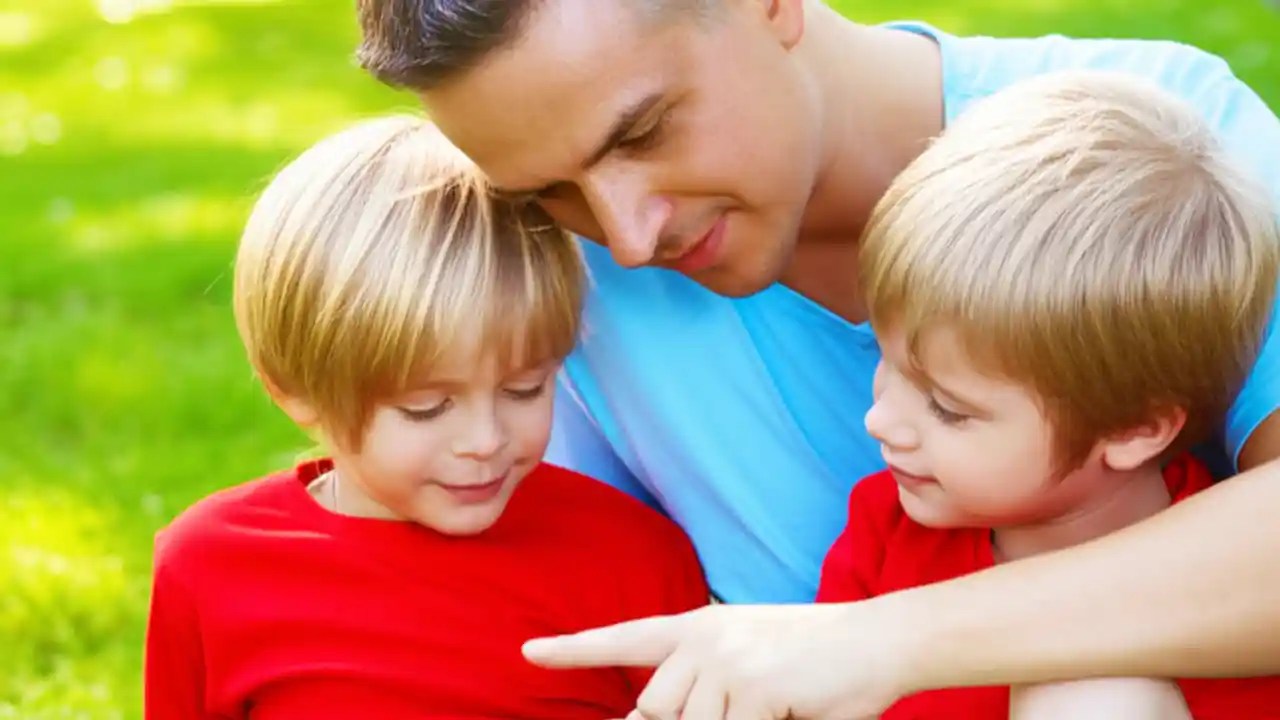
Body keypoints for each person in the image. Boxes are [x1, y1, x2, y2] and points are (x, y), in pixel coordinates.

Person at [356, 0, 1280, 716]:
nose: (627, 240)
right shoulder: (554, 284)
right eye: (549, 190)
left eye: (642, 132)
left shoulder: (1159, 156)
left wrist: (879, 642)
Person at [142, 115, 709, 719]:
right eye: (427, 407)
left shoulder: (632, 557)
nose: (485, 441)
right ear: (295, 390)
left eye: (524, 388)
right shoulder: (212, 566)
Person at [814, 70, 1280, 719]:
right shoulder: (884, 529)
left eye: (947, 407)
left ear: (1133, 429)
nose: (879, 420)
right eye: (887, 365)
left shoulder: (1230, 590)